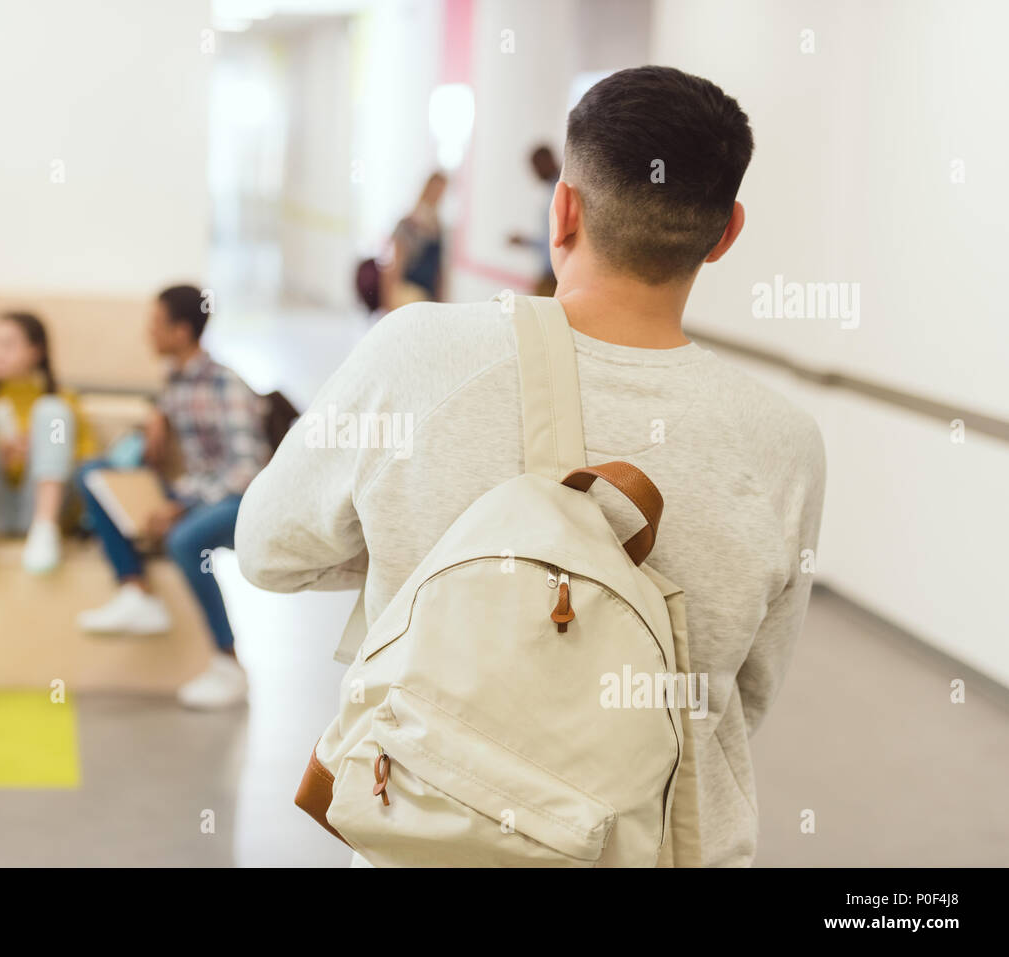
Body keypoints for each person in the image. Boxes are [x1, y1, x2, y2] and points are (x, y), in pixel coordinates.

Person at [235, 66, 826, 867]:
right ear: (726, 233)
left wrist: (427, 558)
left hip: (433, 832)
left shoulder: (420, 354)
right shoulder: (784, 441)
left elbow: (269, 550)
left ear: (564, 210)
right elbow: (743, 698)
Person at [75, 285, 271, 710]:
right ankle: (136, 591)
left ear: (181, 331)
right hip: (195, 492)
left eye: (156, 324)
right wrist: (157, 416)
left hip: (238, 501)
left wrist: (180, 505)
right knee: (94, 475)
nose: (148, 333)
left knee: (186, 539)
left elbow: (248, 470)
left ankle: (229, 664)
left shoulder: (225, 384)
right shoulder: (175, 382)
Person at [0, 312, 96, 574]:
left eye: (8, 345)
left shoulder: (65, 400)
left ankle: (45, 531)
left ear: (36, 351)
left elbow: (85, 467)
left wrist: (37, 453)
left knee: (53, 412)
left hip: (44, 507)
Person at [379, 171, 447, 309]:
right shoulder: (407, 225)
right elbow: (394, 266)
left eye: (441, 192)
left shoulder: (438, 229)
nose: (437, 196)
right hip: (407, 295)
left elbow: (438, 271)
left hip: (428, 298)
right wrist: (387, 301)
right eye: (435, 190)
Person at [508, 144, 562, 295]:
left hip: (555, 277)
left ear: (546, 162)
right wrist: (526, 242)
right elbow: (549, 241)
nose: (535, 173)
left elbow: (557, 241)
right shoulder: (552, 190)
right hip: (549, 274)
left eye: (535, 167)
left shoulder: (560, 190)